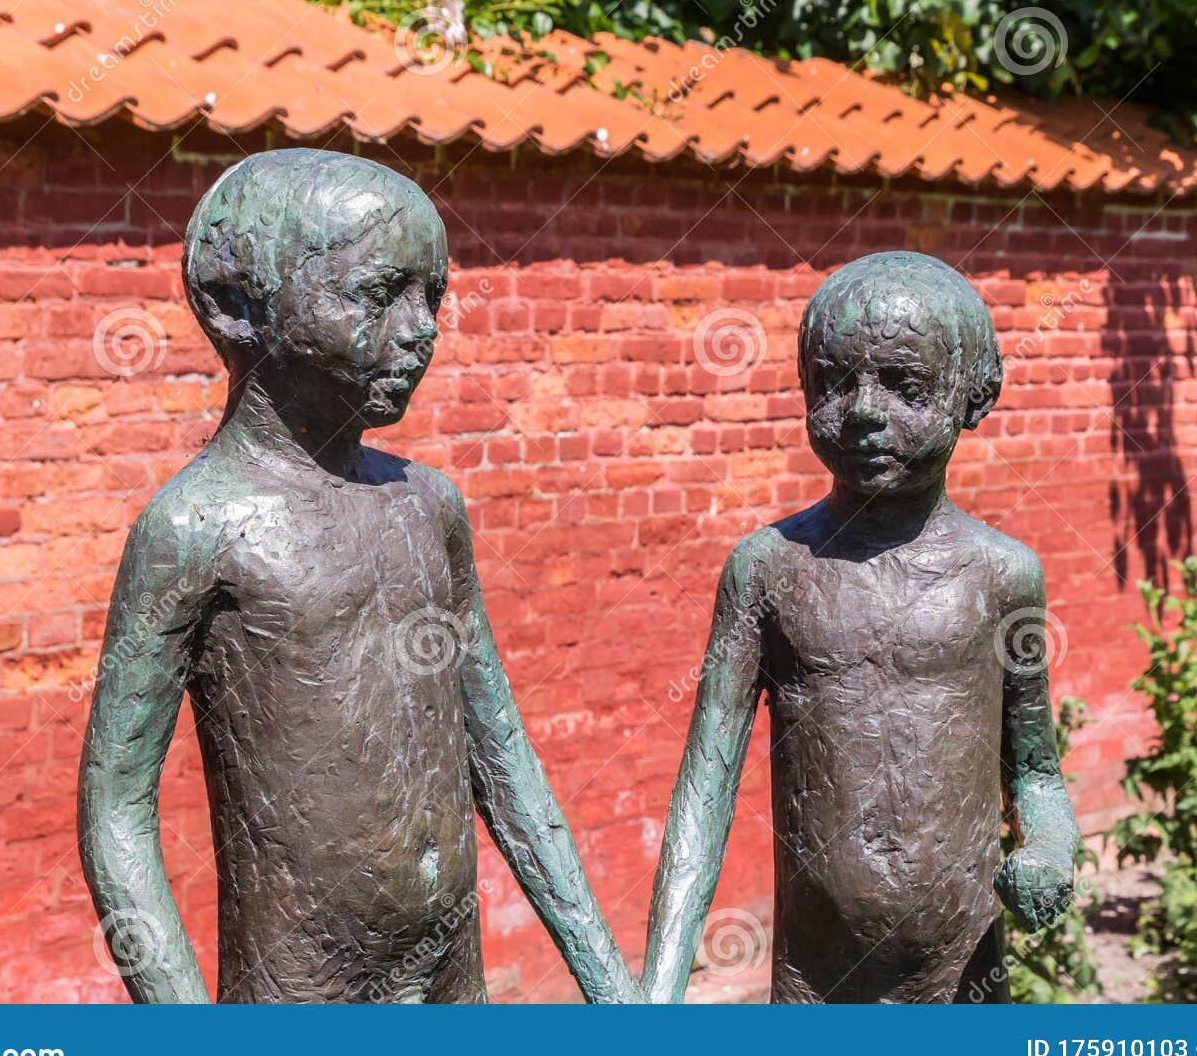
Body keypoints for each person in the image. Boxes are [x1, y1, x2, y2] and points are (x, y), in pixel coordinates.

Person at [78, 149, 639, 1004]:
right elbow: (116, 811)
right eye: (381, 295)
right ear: (238, 307)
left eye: (434, 297)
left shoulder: (428, 507)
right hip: (299, 985)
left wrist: (611, 984)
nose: (423, 330)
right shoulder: (195, 530)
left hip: (452, 968)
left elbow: (501, 753)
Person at [641, 251, 1079, 1003]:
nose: (865, 412)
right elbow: (703, 793)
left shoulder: (1005, 577)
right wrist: (657, 989)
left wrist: (1048, 849)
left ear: (973, 395)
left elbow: (1036, 773)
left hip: (962, 980)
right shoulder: (770, 570)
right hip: (814, 981)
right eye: (837, 384)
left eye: (903, 385)